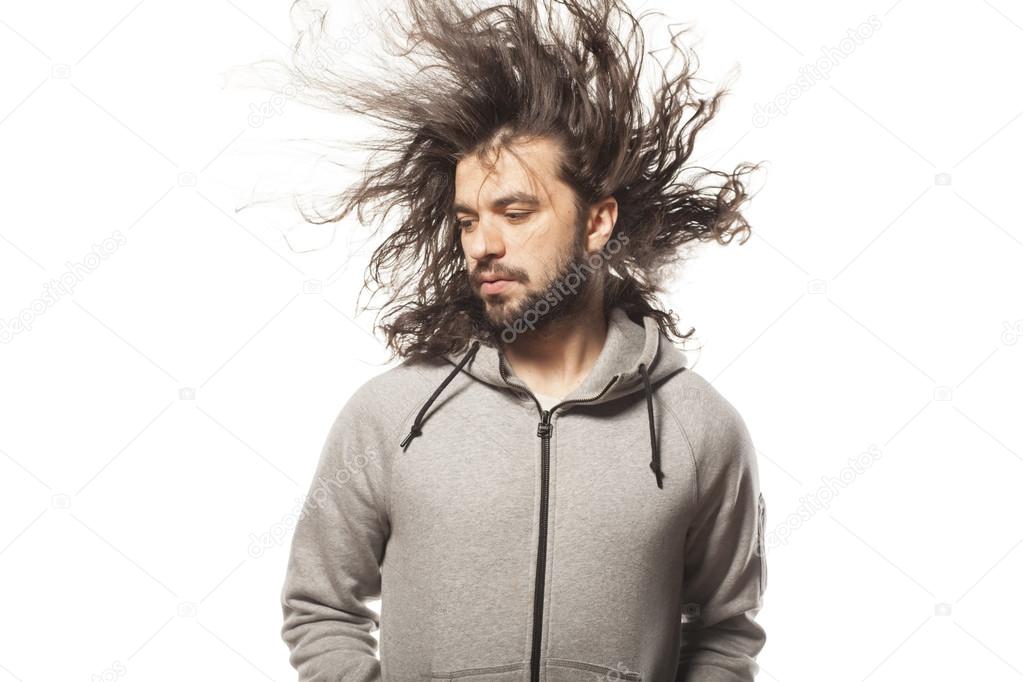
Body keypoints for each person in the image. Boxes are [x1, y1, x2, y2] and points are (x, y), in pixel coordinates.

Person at [278, 0, 767, 679]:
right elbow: (319, 606)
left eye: (515, 212)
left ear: (595, 222)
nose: (483, 244)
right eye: (469, 219)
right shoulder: (389, 416)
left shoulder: (699, 427)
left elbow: (723, 630)